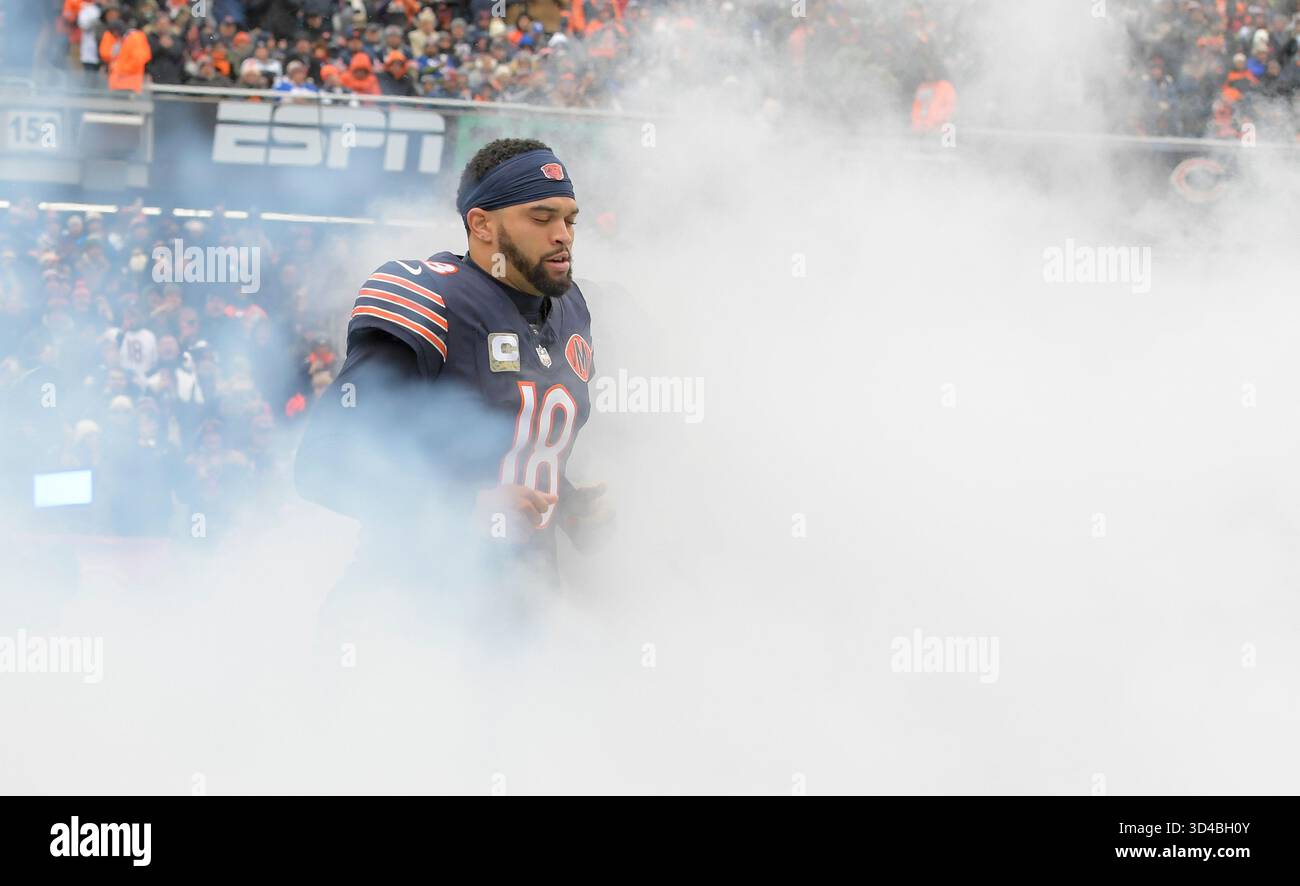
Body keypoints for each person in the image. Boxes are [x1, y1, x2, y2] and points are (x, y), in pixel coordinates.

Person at [295, 139, 611, 604]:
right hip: (411, 615)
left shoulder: (570, 310)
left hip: (525, 613)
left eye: (569, 219)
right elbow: (322, 463)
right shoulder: (435, 302)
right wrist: (460, 508)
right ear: (481, 224)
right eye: (541, 219)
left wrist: (567, 506)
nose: (562, 234)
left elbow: (511, 450)